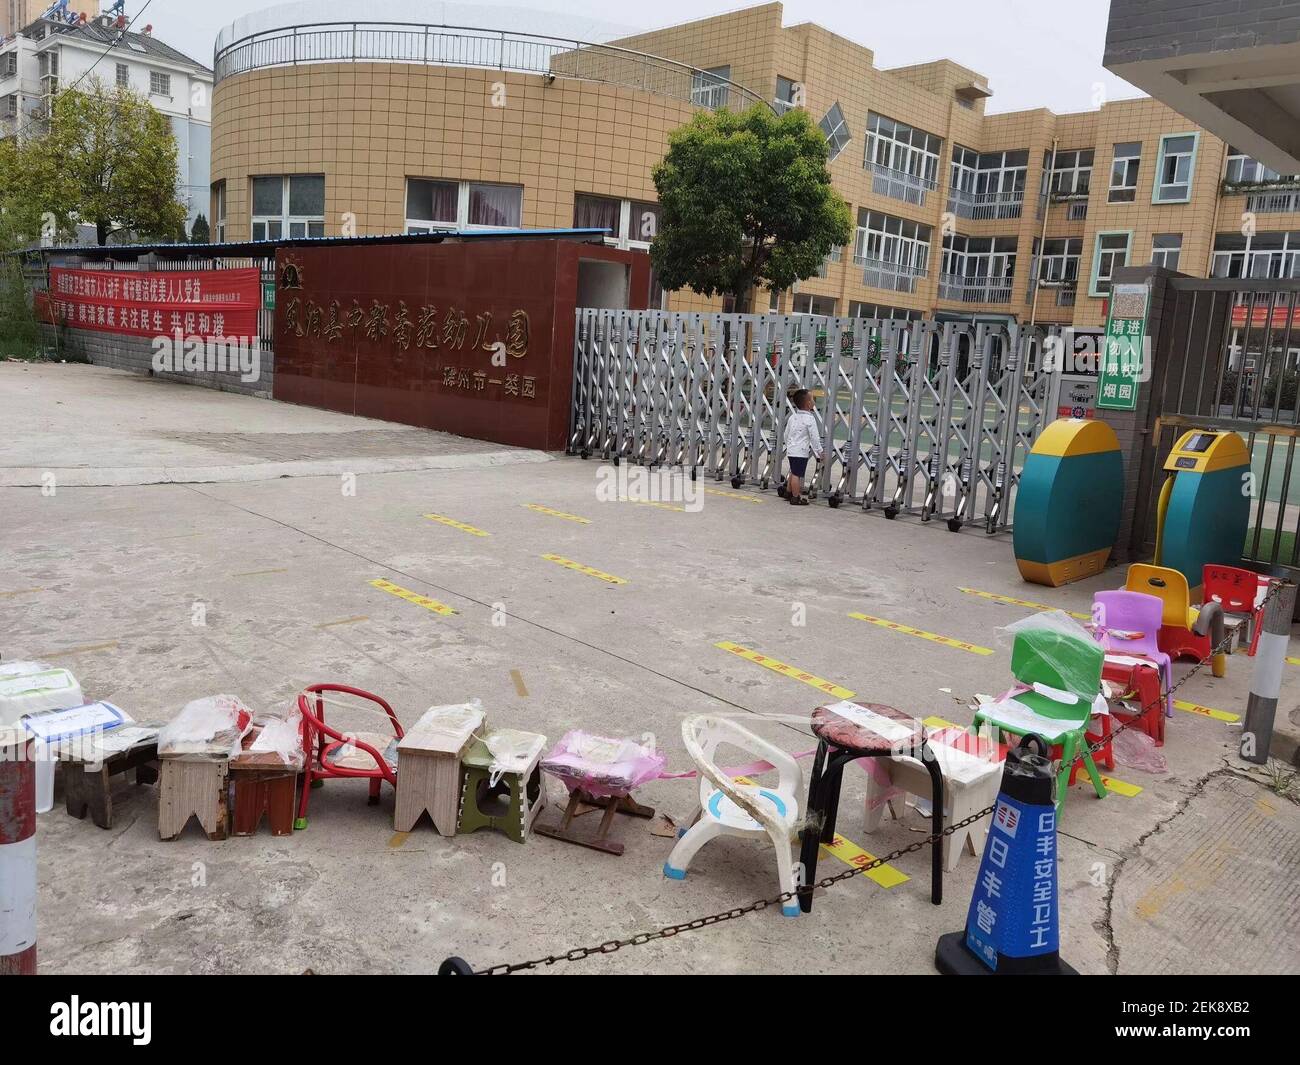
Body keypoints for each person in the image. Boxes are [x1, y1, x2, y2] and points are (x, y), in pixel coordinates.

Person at [783, 389, 822, 506]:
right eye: (812, 398)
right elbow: (814, 437)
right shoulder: (810, 419)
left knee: (792, 471)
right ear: (809, 404)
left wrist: (788, 445)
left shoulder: (792, 417)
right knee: (796, 475)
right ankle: (796, 497)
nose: (814, 401)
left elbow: (786, 433)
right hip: (801, 451)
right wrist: (819, 450)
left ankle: (789, 492)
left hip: (791, 450)